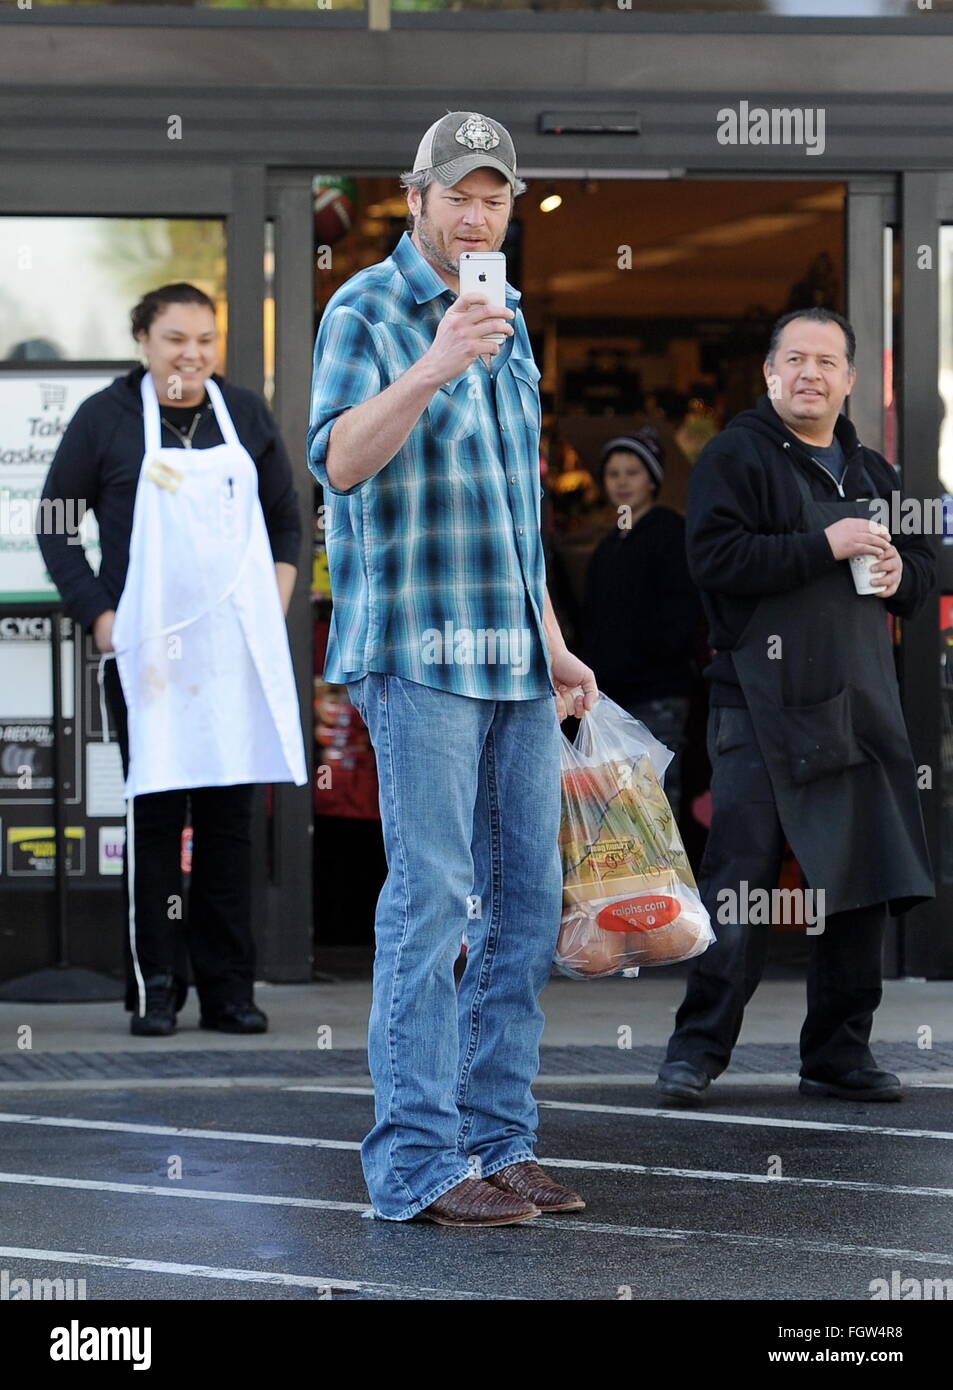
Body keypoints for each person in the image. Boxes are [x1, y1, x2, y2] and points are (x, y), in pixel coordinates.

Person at [308, 111, 598, 1227]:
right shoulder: (365, 307)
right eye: (458, 196)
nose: (477, 217)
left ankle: (497, 1141)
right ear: (414, 197)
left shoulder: (509, 317)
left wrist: (553, 636)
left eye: (495, 199)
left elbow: (514, 505)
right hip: (416, 647)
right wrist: (432, 362)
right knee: (431, 899)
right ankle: (415, 1164)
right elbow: (336, 461)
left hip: (512, 651)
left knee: (523, 904)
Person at [656, 307, 935, 1106]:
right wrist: (829, 544)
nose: (810, 374)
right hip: (758, 708)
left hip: (856, 708)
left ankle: (837, 1055)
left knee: (860, 880)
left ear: (849, 380)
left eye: (827, 362)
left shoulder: (872, 472)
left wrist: (898, 577)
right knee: (739, 881)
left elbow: (923, 565)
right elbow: (714, 559)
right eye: (795, 360)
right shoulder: (734, 457)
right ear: (770, 373)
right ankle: (697, 1051)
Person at [38, 282, 307, 1037]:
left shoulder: (242, 413)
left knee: (228, 823)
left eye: (204, 341)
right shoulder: (107, 419)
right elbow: (56, 524)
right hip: (148, 656)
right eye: (174, 339)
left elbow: (286, 520)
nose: (191, 354)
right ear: (143, 341)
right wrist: (99, 616)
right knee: (156, 815)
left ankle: (230, 990)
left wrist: (269, 604)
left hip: (233, 653)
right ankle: (156, 987)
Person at [581, 428, 701, 820]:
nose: (621, 482)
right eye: (613, 473)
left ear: (652, 479)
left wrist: (650, 658)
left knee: (655, 804)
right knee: (614, 810)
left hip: (657, 694)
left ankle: (669, 884)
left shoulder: (669, 533)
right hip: (608, 700)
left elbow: (682, 615)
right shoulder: (609, 544)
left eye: (632, 471)